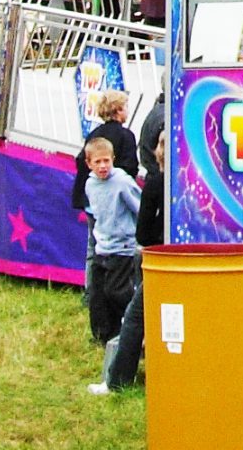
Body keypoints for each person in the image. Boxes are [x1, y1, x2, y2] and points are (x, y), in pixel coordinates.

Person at [91, 125, 165, 395]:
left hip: (159, 259)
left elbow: (143, 231)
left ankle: (117, 381)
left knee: (134, 317)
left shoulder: (155, 183)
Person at [81, 137, 142, 348]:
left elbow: (139, 208)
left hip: (122, 246)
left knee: (117, 291)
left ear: (113, 159)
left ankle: (132, 327)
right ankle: (102, 335)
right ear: (89, 163)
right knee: (97, 294)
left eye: (106, 161)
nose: (103, 166)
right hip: (102, 244)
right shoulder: (90, 184)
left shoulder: (122, 182)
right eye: (97, 162)